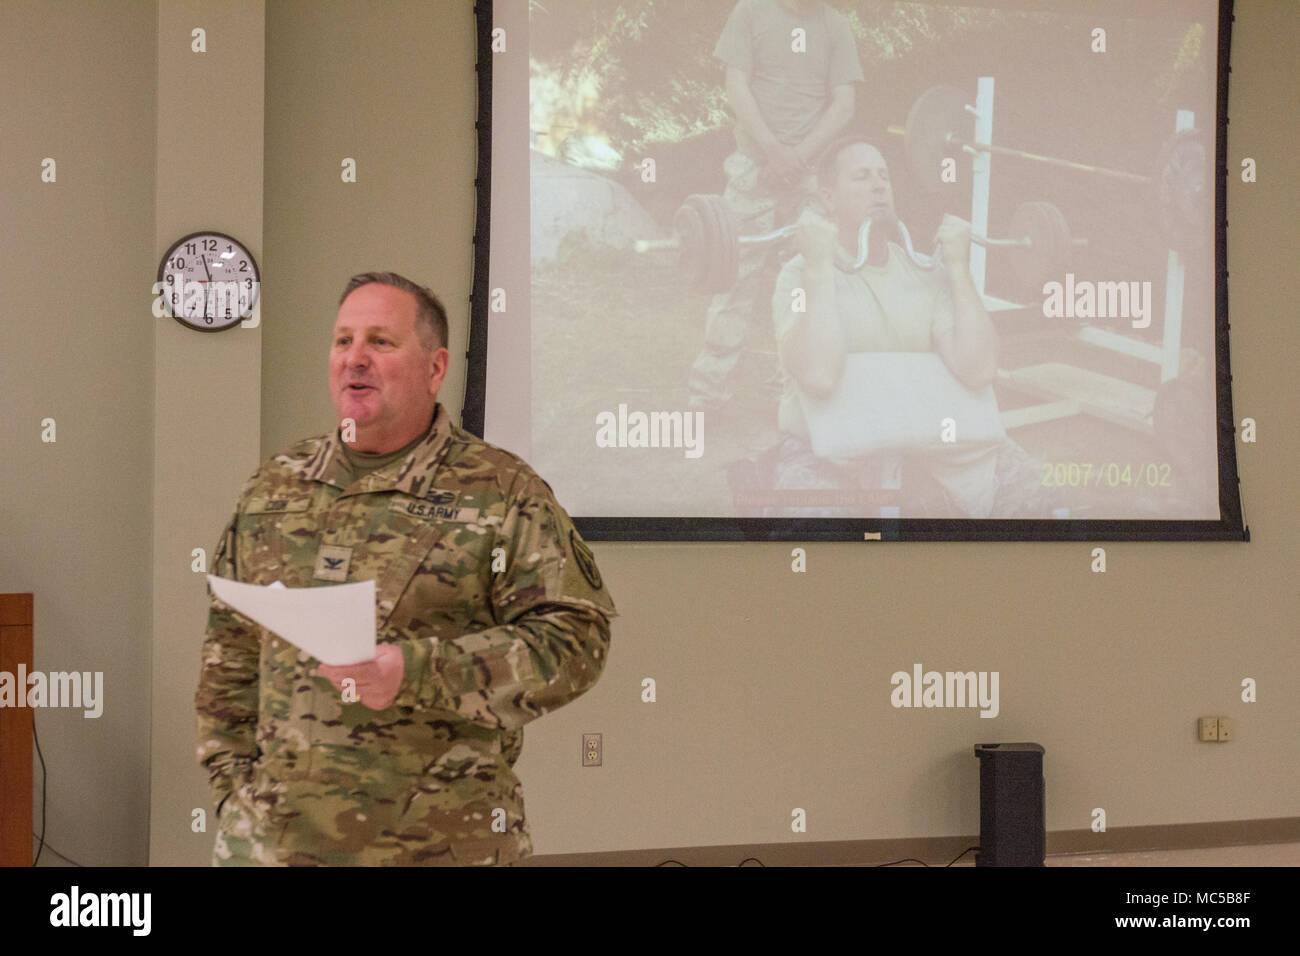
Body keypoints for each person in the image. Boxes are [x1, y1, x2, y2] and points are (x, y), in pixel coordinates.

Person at [195, 272, 618, 866]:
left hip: (441, 847)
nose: (354, 359)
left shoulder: (500, 490)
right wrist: (233, 795)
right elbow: (229, 651)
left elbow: (577, 638)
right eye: (343, 341)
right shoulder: (275, 485)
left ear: (435, 367)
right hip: (273, 848)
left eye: (380, 342)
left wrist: (420, 671)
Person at [738, 136, 1062, 519]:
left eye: (884, 177)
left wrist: (958, 268)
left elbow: (978, 370)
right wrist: (819, 267)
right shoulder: (798, 278)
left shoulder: (926, 272)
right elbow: (820, 377)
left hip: (930, 445)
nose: (879, 186)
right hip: (831, 451)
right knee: (814, 524)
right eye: (861, 177)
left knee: (1040, 500)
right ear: (828, 198)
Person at [687, 0, 863, 412]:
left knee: (812, 284)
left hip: (810, 178)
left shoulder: (836, 25)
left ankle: (802, 395)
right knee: (733, 283)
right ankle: (708, 397)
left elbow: (844, 105)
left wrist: (797, 157)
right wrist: (772, 151)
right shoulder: (749, 12)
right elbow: (736, 85)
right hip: (753, 171)